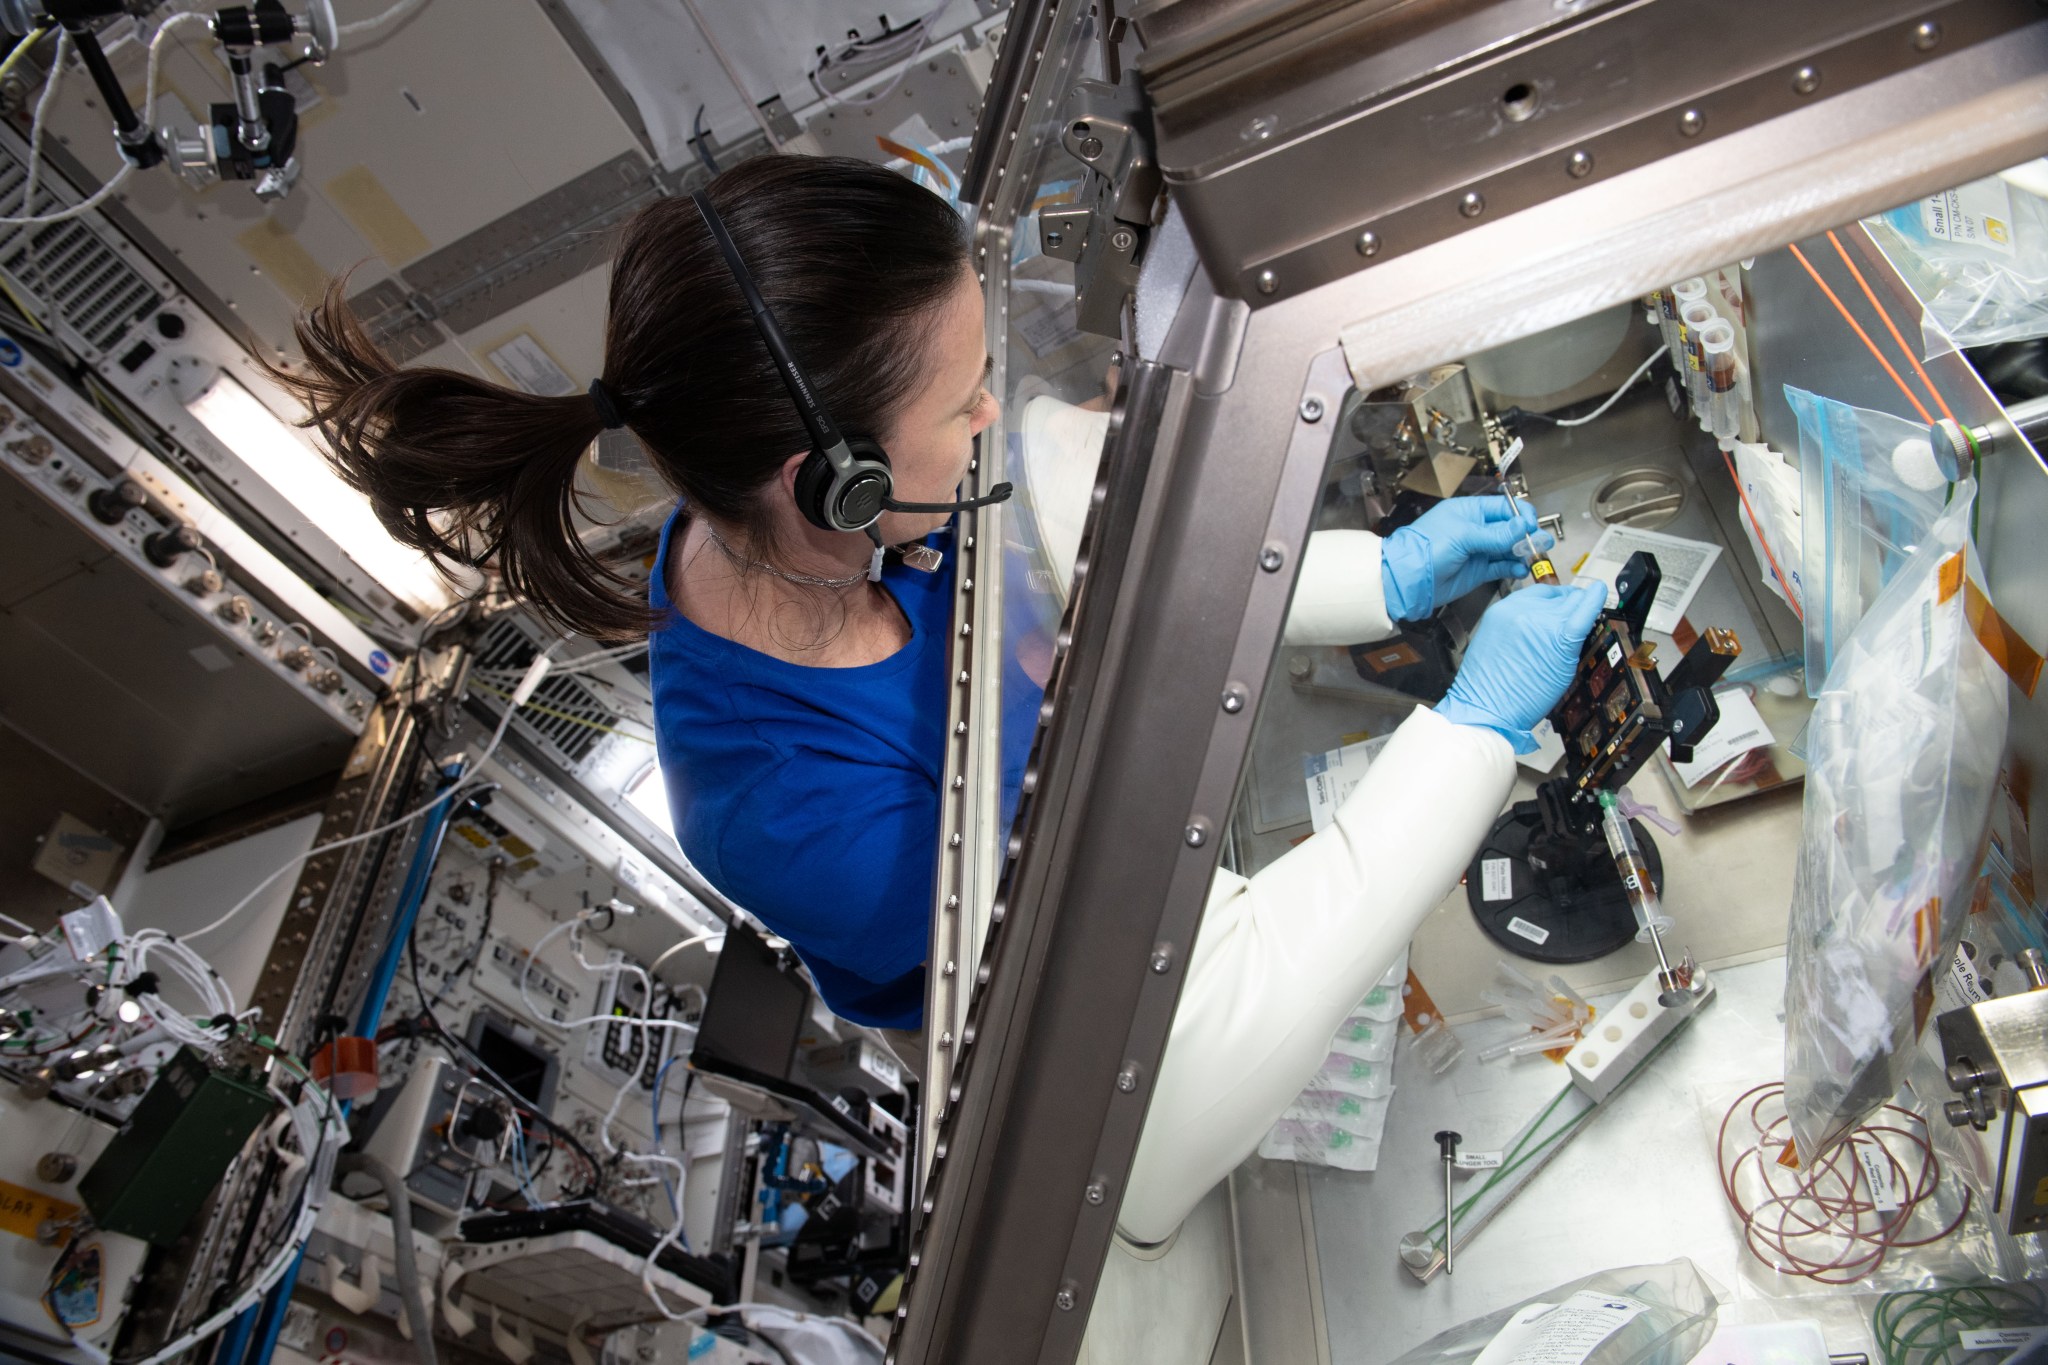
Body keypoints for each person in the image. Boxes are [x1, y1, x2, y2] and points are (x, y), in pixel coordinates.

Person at [277, 154, 1605, 1244]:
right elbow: (1173, 1063)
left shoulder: (863, 493)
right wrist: (1468, 738)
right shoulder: (785, 807)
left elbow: (1103, 543)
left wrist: (1377, 576)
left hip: (1120, 829)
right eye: (963, 398)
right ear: (834, 484)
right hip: (1103, 1000)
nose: (994, 406)